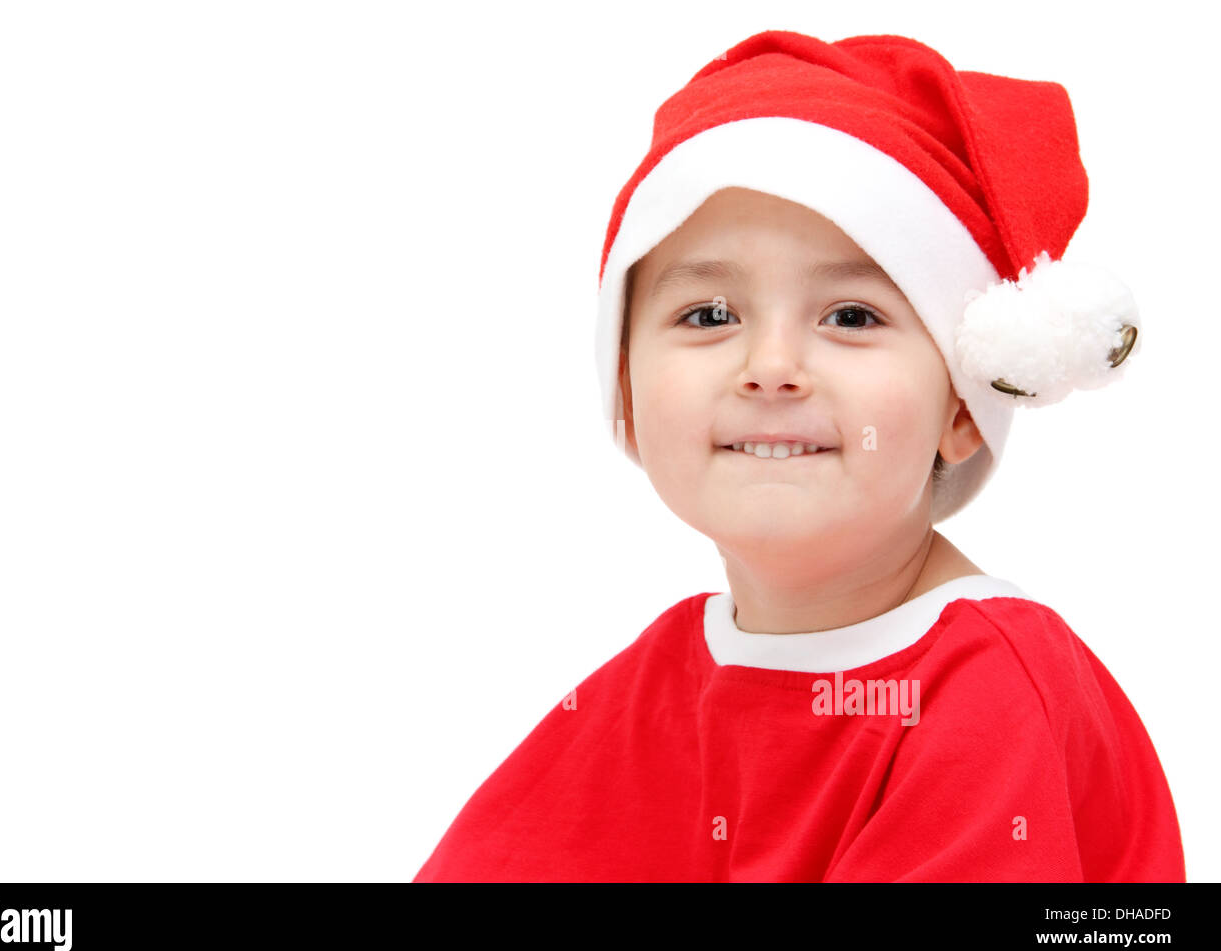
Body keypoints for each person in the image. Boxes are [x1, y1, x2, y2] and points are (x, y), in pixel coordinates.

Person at [413, 29, 1185, 882]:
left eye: (851, 316)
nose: (771, 369)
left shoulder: (991, 688)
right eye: (709, 316)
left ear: (964, 407)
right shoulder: (658, 682)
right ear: (627, 395)